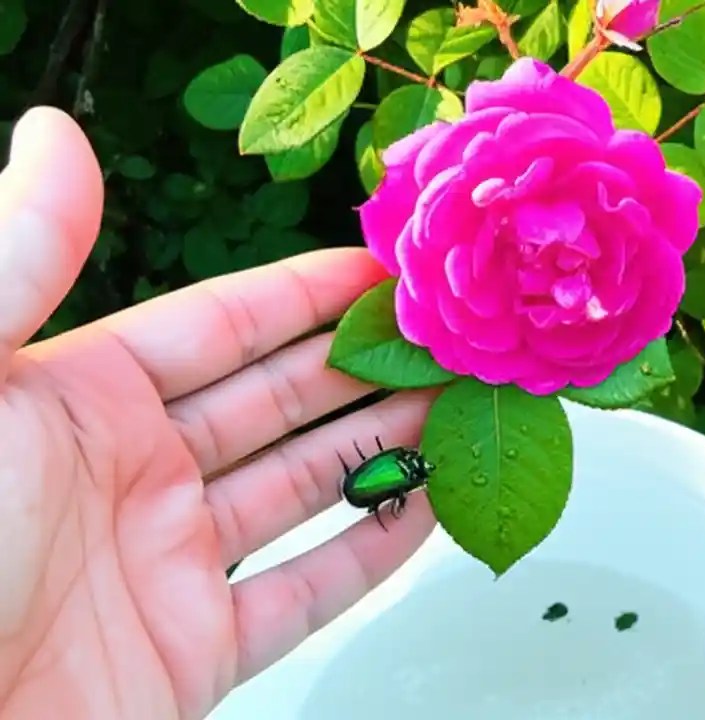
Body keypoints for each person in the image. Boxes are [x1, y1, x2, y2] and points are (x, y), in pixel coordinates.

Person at [0, 107, 438, 719]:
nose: (412, 466)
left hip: (354, 487)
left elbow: (377, 475)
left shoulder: (396, 471)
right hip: (355, 488)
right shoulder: (401, 475)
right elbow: (380, 480)